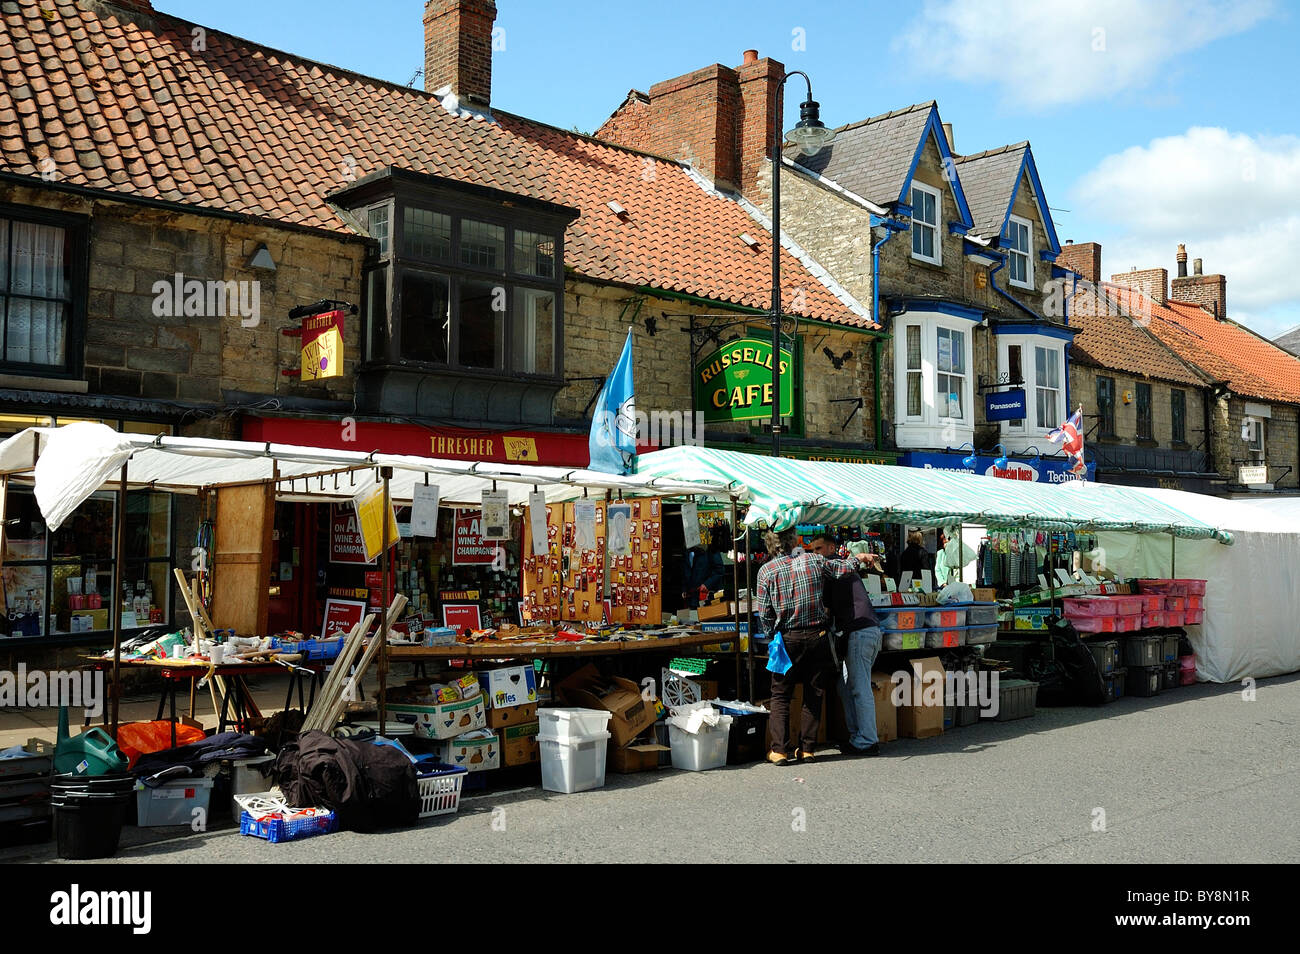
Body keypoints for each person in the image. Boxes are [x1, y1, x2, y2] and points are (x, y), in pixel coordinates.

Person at [756, 528, 871, 766]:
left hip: (787, 638)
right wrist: (857, 558)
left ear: (770, 546)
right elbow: (845, 569)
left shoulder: (766, 571)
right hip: (817, 635)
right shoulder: (814, 560)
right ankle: (807, 748)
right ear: (794, 541)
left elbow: (764, 613)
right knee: (814, 691)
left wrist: (771, 636)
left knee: (780, 694)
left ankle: (779, 750)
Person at [808, 533, 883, 757]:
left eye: (818, 549)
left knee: (859, 688)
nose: (815, 554)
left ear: (832, 548)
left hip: (860, 633)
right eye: (812, 550)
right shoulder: (840, 570)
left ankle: (868, 740)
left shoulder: (835, 569)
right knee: (846, 686)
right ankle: (857, 736)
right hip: (864, 632)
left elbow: (825, 610)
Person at [680, 543, 725, 608]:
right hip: (691, 597)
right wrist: (684, 589)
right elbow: (685, 572)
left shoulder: (710, 549)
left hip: (707, 595)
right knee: (692, 616)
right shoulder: (686, 552)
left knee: (706, 615)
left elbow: (719, 570)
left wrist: (707, 584)